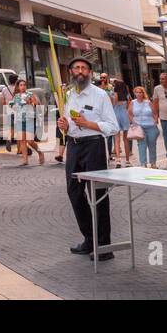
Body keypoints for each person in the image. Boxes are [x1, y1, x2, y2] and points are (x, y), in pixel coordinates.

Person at [57, 57, 119, 260]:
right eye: (76, 68)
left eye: (84, 68)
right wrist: (64, 126)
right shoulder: (67, 95)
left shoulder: (100, 95)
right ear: (71, 72)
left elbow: (113, 127)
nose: (80, 71)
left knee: (98, 195)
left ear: (90, 73)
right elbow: (68, 124)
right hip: (73, 147)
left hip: (94, 146)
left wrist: (88, 124)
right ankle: (89, 239)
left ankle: (104, 246)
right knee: (74, 193)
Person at [10, 78, 44, 165]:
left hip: (29, 119)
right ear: (18, 87)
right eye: (21, 85)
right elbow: (13, 106)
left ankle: (40, 152)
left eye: (24, 85)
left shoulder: (30, 94)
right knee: (22, 141)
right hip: (19, 120)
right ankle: (25, 160)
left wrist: (30, 101)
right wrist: (12, 105)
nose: (23, 87)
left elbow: (37, 103)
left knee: (30, 141)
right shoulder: (16, 96)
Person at [128, 85, 159, 168]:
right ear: (135, 93)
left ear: (143, 93)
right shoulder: (132, 102)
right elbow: (130, 114)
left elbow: (155, 113)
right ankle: (143, 164)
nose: (138, 94)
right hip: (139, 128)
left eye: (140, 92)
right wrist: (133, 123)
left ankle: (153, 163)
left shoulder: (148, 102)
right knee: (141, 146)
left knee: (152, 145)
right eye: (137, 92)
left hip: (151, 126)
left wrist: (155, 122)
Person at [111, 80, 132, 166]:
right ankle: (127, 160)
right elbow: (128, 106)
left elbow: (113, 104)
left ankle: (118, 159)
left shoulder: (113, 93)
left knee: (116, 139)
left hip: (116, 115)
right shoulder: (127, 94)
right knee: (126, 139)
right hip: (124, 115)